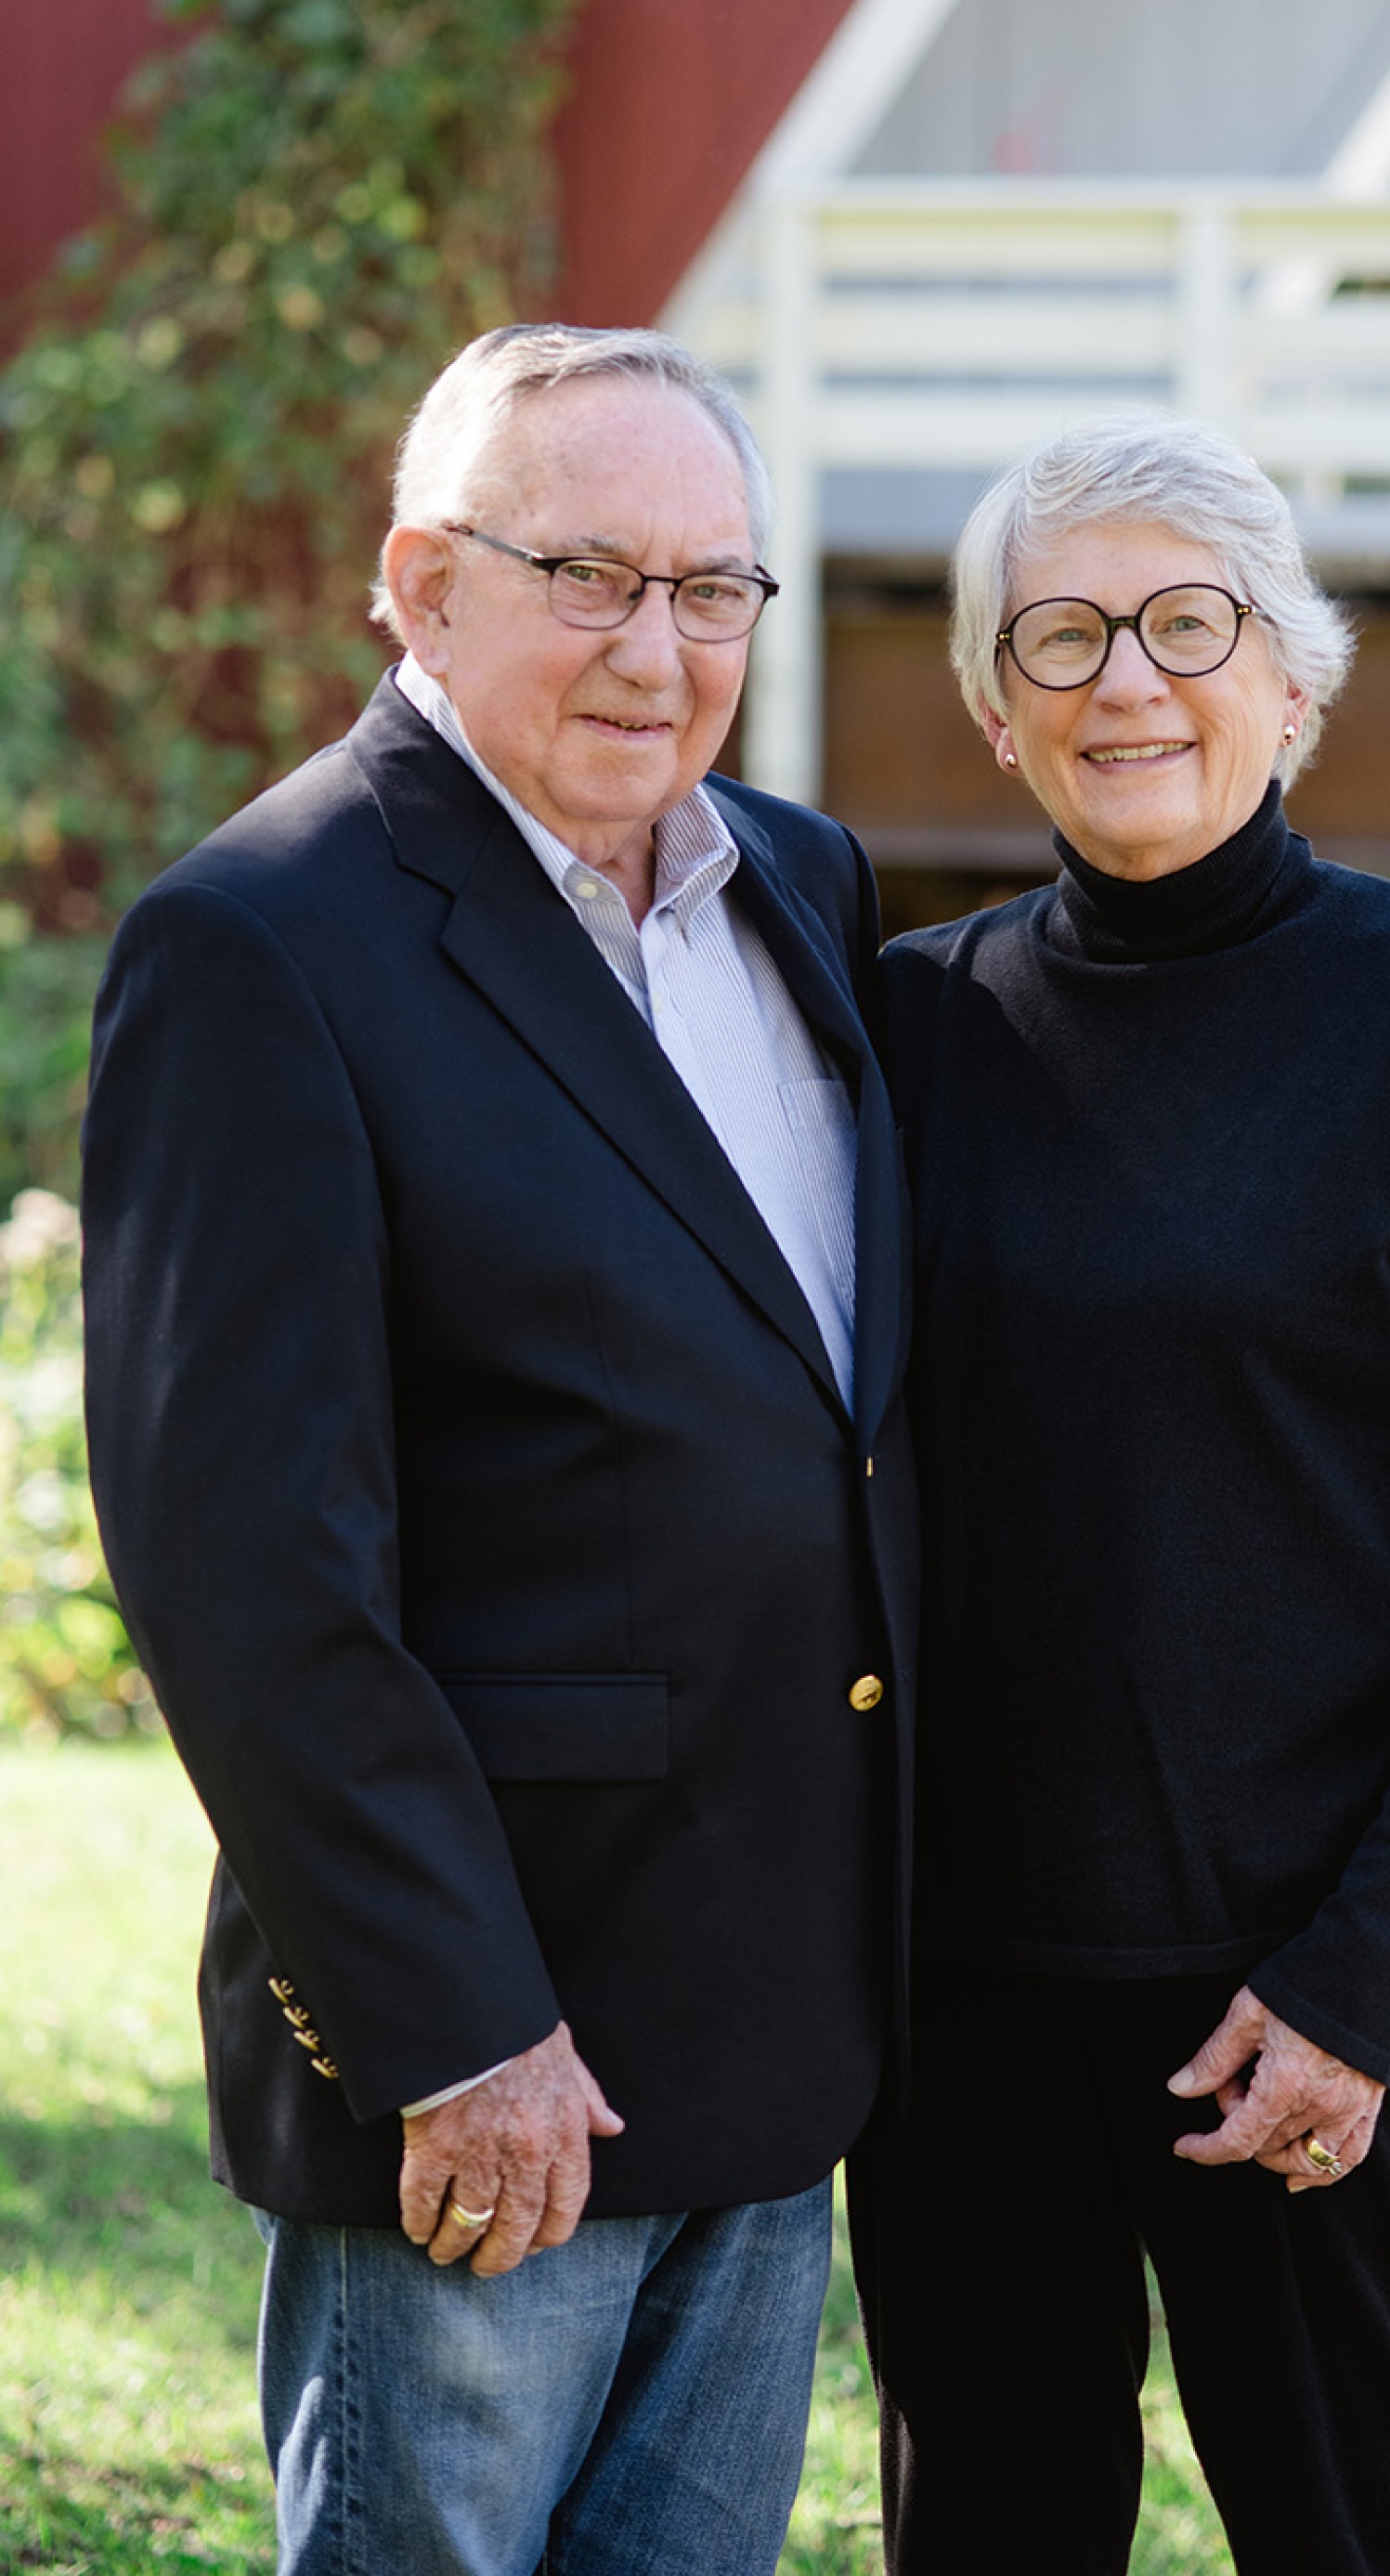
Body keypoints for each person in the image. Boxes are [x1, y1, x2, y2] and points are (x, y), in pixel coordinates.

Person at [81, 323, 916, 2576]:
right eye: (589, 573)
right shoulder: (264, 939)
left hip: (774, 2013)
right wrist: (456, 2029)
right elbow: (246, 1567)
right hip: (500, 2040)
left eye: (713, 586)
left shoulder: (803, 886)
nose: (660, 646)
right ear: (423, 583)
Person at [848, 412, 1390, 2574]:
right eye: (1063, 635)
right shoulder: (909, 1021)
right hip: (964, 1998)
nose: (1128, 680)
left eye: (1189, 624)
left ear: (1292, 678)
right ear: (997, 710)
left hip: (1296, 1991)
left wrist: (1366, 1986)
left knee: (1352, 2534)